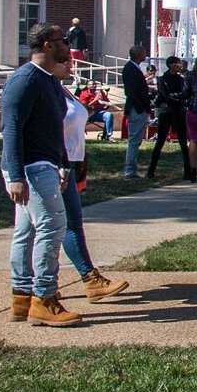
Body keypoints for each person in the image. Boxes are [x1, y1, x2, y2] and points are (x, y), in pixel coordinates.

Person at [2, 23, 83, 327]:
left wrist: (63, 163)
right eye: (64, 41)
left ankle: (22, 297)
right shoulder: (24, 80)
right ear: (49, 45)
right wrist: (15, 175)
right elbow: (11, 130)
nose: (69, 45)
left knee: (27, 231)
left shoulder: (49, 81)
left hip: (47, 165)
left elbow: (55, 129)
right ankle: (44, 299)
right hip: (30, 168)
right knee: (52, 227)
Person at [56, 75, 129, 304]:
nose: (70, 62)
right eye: (64, 56)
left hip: (70, 162)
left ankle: (39, 286)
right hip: (56, 164)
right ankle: (86, 279)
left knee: (63, 225)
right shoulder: (44, 88)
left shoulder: (62, 89)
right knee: (64, 225)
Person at [147, 56, 192, 179]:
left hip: (179, 112)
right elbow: (164, 95)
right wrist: (176, 98)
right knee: (160, 141)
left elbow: (185, 94)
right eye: (177, 63)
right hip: (166, 112)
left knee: (183, 142)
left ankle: (187, 171)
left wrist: (175, 97)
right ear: (171, 65)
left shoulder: (181, 80)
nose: (180, 66)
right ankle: (151, 170)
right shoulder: (162, 79)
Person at [119, 44, 151, 178]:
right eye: (143, 52)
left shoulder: (134, 68)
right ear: (138, 54)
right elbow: (132, 92)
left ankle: (132, 169)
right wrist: (141, 106)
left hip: (138, 108)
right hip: (136, 109)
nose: (145, 54)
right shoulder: (130, 69)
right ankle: (130, 171)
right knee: (134, 140)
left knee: (136, 140)